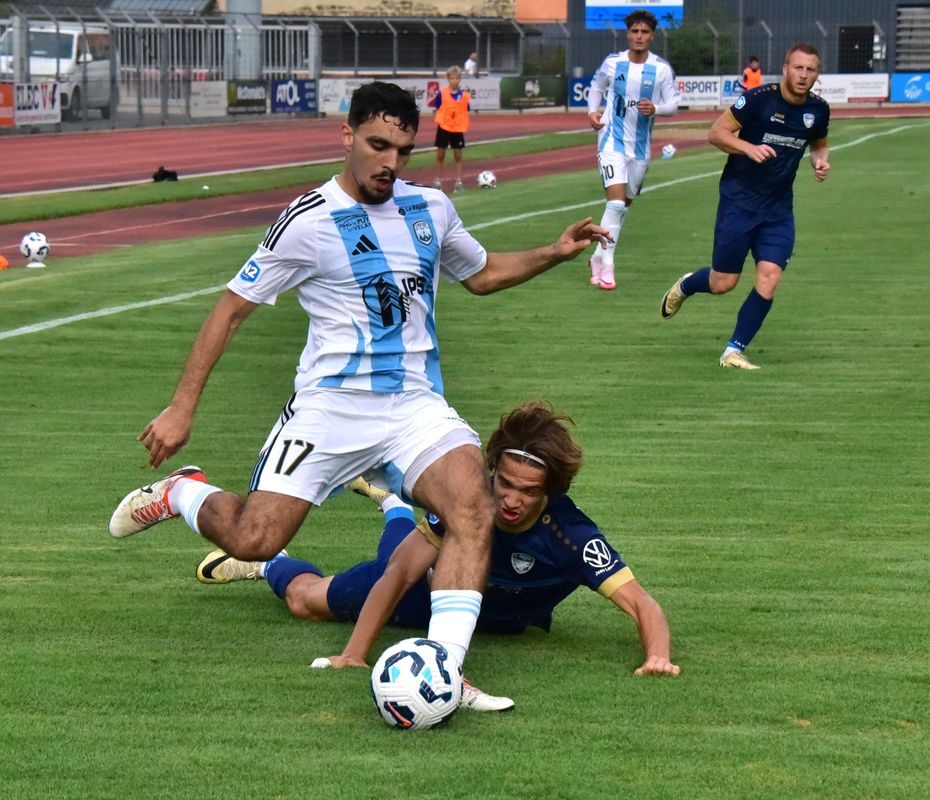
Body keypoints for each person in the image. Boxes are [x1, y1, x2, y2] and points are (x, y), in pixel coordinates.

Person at [108, 82, 608, 680]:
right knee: (254, 538)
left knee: (472, 505)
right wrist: (181, 406)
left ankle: (443, 669)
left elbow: (481, 273)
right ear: (346, 137)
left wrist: (554, 251)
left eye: (403, 149)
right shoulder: (307, 221)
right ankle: (182, 494)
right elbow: (230, 309)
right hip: (331, 409)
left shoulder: (430, 208)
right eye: (377, 145)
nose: (390, 163)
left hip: (414, 406)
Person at [195, 402, 680, 684]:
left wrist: (657, 655)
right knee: (306, 601)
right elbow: (399, 575)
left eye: (528, 491)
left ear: (550, 490)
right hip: (418, 593)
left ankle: (391, 503)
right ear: (492, 470)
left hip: (483, 608)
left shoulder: (569, 536)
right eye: (504, 483)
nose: (510, 500)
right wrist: (354, 654)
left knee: (406, 538)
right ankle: (268, 564)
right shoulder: (468, 509)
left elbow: (643, 604)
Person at [660, 44, 830, 370]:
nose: (803, 75)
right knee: (724, 283)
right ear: (785, 68)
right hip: (739, 203)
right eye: (798, 68)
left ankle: (733, 351)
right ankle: (686, 285)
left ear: (816, 74)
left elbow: (819, 145)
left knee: (769, 277)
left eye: (810, 70)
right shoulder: (757, 99)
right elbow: (716, 133)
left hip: (778, 210)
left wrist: (820, 163)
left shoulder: (819, 109)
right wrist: (748, 148)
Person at [585, 9, 680, 291]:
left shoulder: (661, 69)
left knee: (622, 208)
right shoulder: (612, 63)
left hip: (640, 149)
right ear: (628, 34)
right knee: (614, 204)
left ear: (652, 36)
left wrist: (657, 109)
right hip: (611, 141)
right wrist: (592, 112)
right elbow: (595, 88)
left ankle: (596, 257)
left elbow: (673, 105)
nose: (639, 36)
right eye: (635, 31)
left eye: (645, 32)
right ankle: (609, 267)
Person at [429, 66, 471, 193]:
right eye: (452, 78)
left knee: (458, 155)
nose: (455, 81)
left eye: (457, 78)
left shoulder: (464, 96)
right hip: (444, 127)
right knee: (440, 154)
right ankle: (437, 181)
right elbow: (437, 108)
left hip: (457, 129)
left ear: (460, 79)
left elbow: (465, 110)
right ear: (448, 79)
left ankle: (458, 182)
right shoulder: (442, 93)